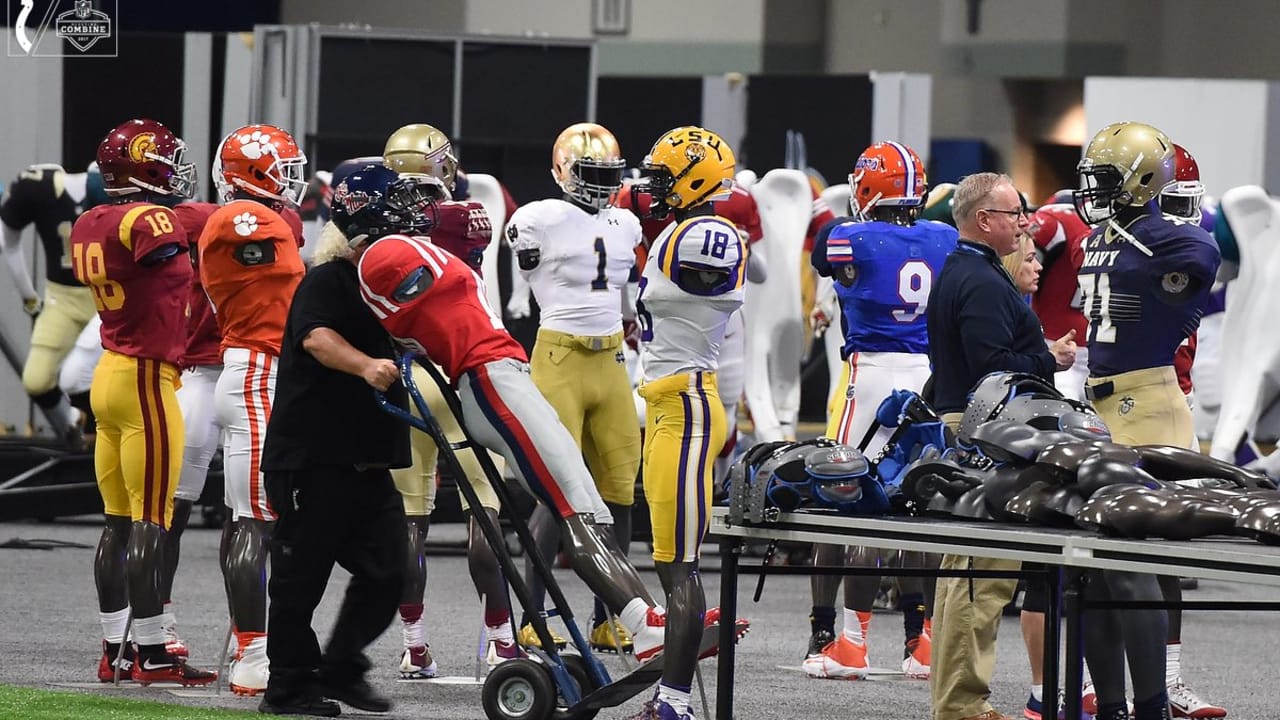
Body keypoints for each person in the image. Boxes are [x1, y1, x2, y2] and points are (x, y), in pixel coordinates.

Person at [1074, 123, 1221, 720]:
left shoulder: (1168, 239)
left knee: (1140, 566)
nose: (1095, 193)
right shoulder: (1115, 235)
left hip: (1149, 402)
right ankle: (1112, 703)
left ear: (1140, 182)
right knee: (1099, 571)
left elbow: (1199, 260)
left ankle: (1157, 698)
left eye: (1106, 180)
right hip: (1103, 401)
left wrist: (1143, 237)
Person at [257, 165, 410, 718]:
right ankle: (288, 688)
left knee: (392, 570)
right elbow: (317, 338)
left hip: (367, 459)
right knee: (301, 581)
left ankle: (342, 667)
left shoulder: (386, 282)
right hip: (314, 457)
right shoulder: (328, 278)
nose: (412, 214)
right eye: (400, 204)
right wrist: (367, 365)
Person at [803, 142, 956, 684]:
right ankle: (922, 643)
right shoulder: (944, 236)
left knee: (850, 502)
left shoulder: (848, 235)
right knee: (918, 508)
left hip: (869, 375)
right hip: (927, 376)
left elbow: (828, 260)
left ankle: (847, 640)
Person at [925, 172, 1076, 720]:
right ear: (984, 220)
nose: (1025, 222)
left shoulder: (965, 270)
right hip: (985, 431)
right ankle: (964, 704)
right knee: (979, 579)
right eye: (1015, 213)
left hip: (968, 424)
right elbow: (993, 369)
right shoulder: (985, 281)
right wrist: (1048, 361)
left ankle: (956, 699)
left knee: (963, 576)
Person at [72, 117, 216, 686]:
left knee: (116, 522)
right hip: (147, 379)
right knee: (151, 522)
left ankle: (117, 649)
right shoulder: (154, 219)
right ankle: (153, 651)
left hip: (108, 373)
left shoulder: (90, 219)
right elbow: (169, 242)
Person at [379, 125, 517, 675]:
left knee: (411, 520)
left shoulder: (377, 225)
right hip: (462, 370)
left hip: (403, 373)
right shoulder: (465, 215)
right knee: (484, 514)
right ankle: (502, 640)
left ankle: (415, 646)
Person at [504, 121, 644, 654]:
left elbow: (625, 291)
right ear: (561, 171)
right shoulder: (536, 218)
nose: (600, 185)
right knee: (553, 491)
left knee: (618, 493)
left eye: (607, 175)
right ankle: (533, 616)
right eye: (589, 173)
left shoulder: (627, 222)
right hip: (559, 354)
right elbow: (526, 275)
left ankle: (610, 615)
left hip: (611, 358)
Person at [625, 125, 747, 720]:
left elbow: (703, 282)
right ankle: (672, 685)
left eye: (663, 176)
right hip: (668, 403)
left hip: (689, 407)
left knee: (680, 562)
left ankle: (674, 701)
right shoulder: (679, 228)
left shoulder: (707, 233)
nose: (653, 187)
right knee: (668, 556)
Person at [199, 123, 309, 696]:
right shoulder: (245, 220)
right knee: (256, 521)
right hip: (255, 373)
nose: (292, 180)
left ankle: (250, 640)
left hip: (261, 371)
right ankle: (253, 653)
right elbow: (281, 274)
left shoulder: (265, 220)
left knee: (246, 515)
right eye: (283, 169)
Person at [2, 161, 109, 443]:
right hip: (62, 298)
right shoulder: (38, 187)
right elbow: (8, 242)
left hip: (111, 298)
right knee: (37, 380)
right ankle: (72, 427)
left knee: (100, 378)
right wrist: (30, 299)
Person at [159, 197, 221, 661]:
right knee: (172, 510)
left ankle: (254, 639)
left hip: (258, 369)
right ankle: (156, 619)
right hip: (201, 373)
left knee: (259, 517)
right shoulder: (196, 222)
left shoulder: (283, 222)